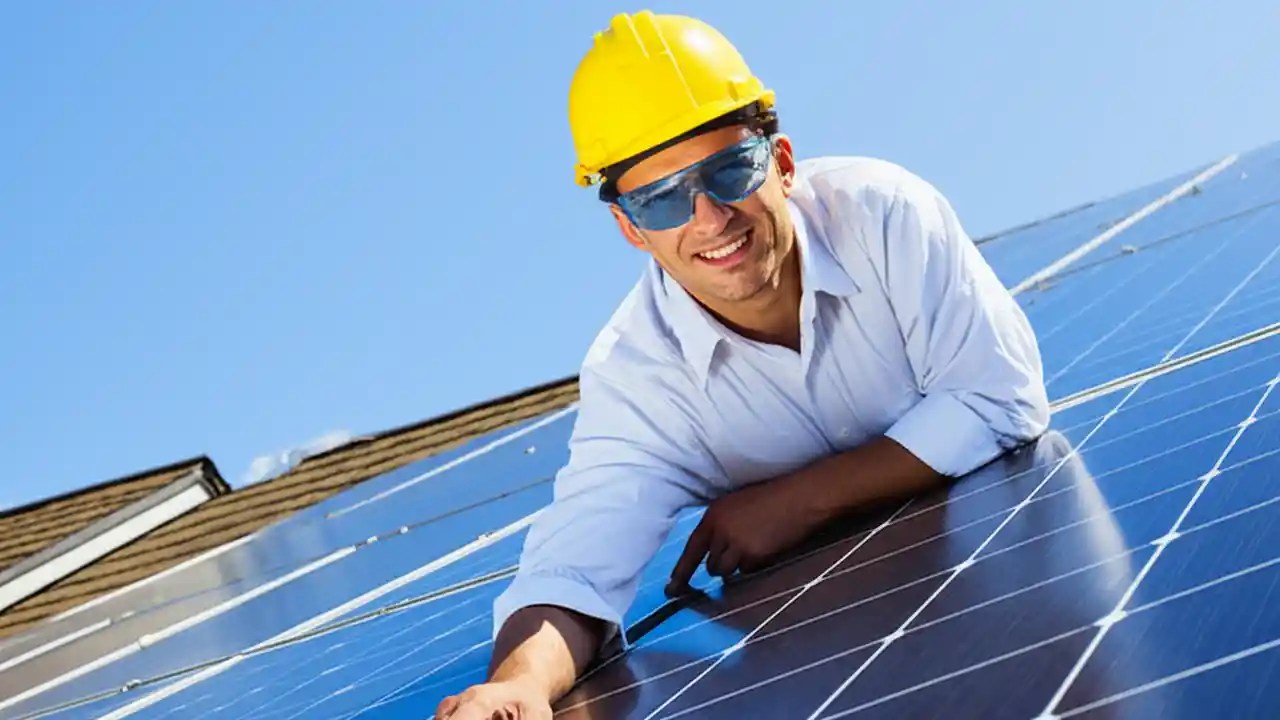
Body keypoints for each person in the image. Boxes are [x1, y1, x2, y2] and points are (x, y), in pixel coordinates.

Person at [436, 10, 1048, 720]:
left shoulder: (884, 217)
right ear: (630, 228)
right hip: (822, 676)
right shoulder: (642, 379)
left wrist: (800, 499)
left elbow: (1001, 398)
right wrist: (519, 686)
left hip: (1004, 597)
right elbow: (574, 567)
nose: (709, 217)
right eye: (661, 199)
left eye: (729, 169)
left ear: (782, 163)